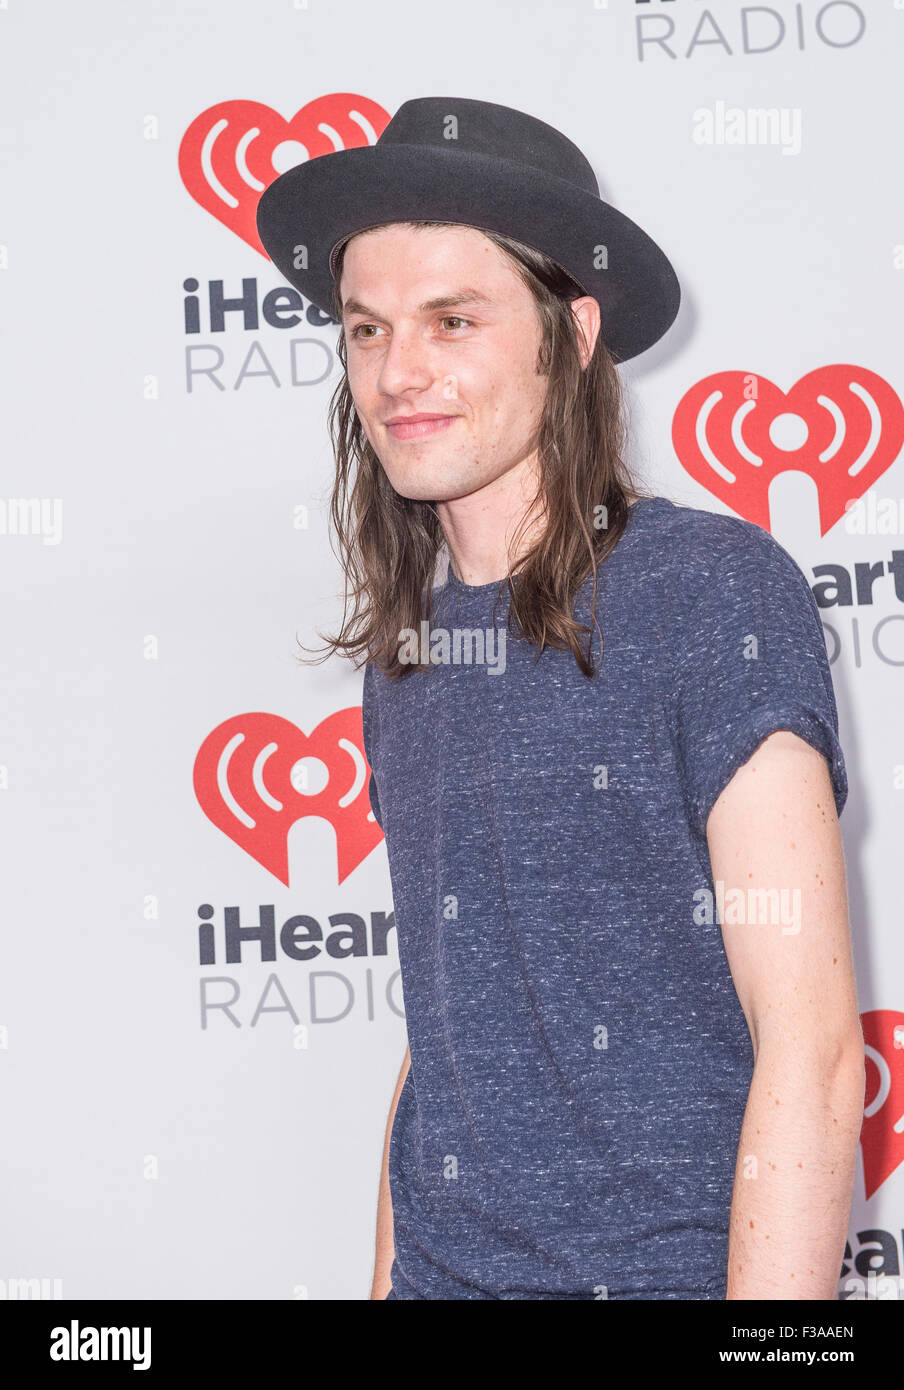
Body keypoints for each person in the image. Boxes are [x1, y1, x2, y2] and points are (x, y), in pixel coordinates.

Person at [256, 97, 865, 1300]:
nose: (397, 373)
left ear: (570, 333)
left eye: (451, 321)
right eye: (367, 328)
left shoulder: (708, 591)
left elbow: (813, 1050)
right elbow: (442, 1039)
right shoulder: (408, 652)